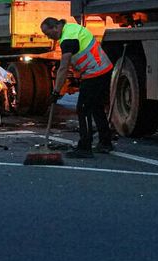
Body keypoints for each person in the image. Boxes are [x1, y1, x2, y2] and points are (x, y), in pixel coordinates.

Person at [40, 17, 113, 158]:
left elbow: (63, 67)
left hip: (95, 72)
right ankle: (105, 142)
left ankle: (85, 147)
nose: (48, 37)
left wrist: (56, 92)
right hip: (101, 70)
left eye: (48, 33)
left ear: (56, 27)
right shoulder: (71, 30)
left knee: (83, 109)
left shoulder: (68, 38)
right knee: (97, 107)